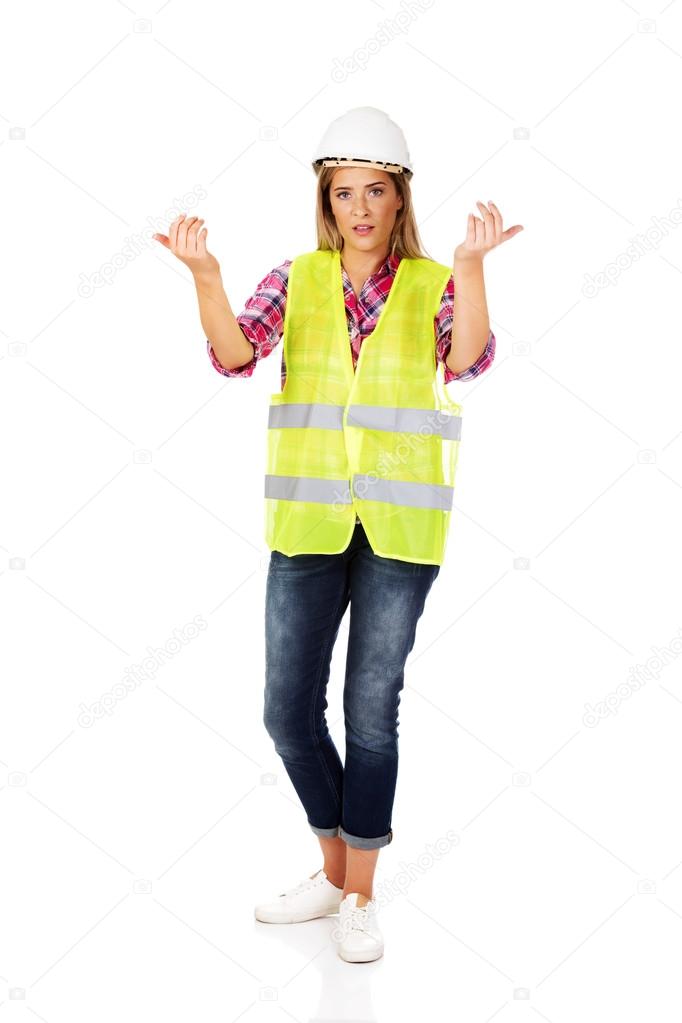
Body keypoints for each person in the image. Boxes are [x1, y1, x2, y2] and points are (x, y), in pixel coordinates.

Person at [154, 106, 523, 963]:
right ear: (328, 201)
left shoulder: (435, 283)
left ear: (401, 200)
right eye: (345, 192)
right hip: (310, 517)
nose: (360, 208)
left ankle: (360, 895)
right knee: (287, 710)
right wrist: (205, 275)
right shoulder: (300, 277)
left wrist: (469, 270)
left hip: (399, 525)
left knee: (371, 712)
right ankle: (334, 867)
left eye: (377, 192)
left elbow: (467, 362)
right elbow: (238, 355)